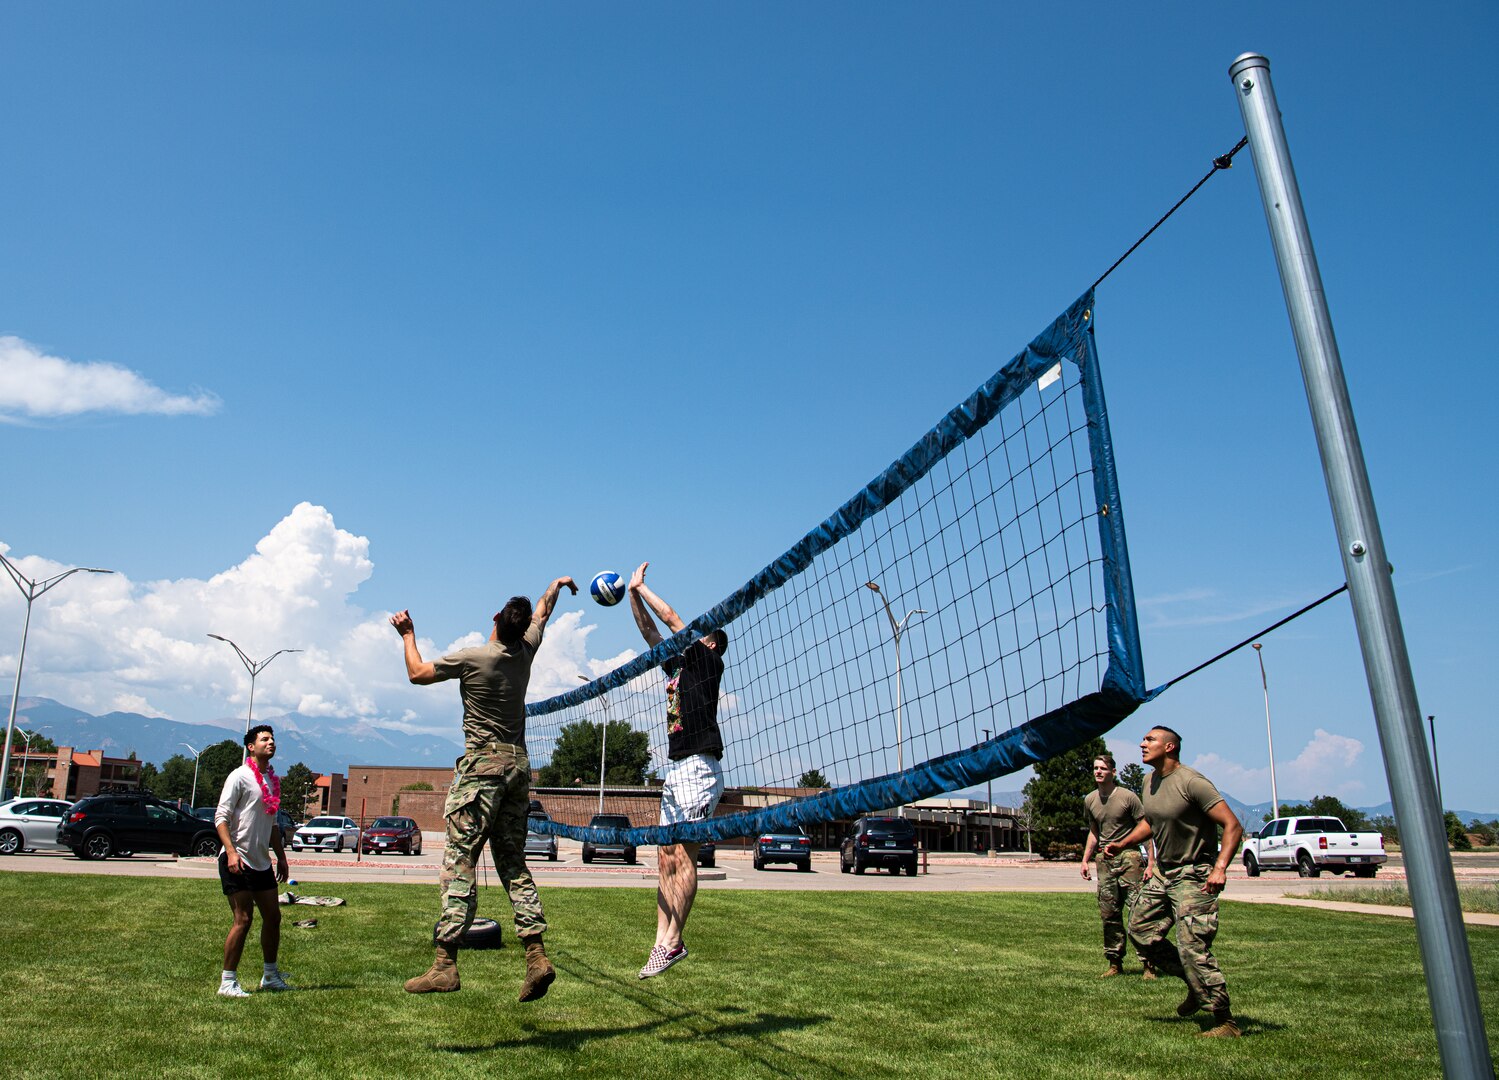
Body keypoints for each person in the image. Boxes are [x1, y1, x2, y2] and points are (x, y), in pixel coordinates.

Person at [393, 575, 576, 1003]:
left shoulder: (474, 657)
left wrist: (407, 634)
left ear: (495, 618)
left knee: (459, 862)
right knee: (513, 865)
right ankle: (536, 956)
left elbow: (417, 673)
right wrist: (556, 586)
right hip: (519, 768)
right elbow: (544, 612)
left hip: (482, 769)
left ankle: (444, 966)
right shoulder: (525, 651)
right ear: (523, 627)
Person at [1104, 725, 1245, 1038]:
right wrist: (1124, 842)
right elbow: (1152, 824)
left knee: (1192, 946)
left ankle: (1225, 1021)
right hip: (1163, 874)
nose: (1142, 743)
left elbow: (1233, 826)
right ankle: (1194, 984)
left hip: (1193, 874)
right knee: (1139, 930)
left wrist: (1220, 868)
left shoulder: (1192, 782)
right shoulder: (1149, 781)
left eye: (1150, 739)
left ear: (1169, 747)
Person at [627, 561, 727, 978]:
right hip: (678, 769)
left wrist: (641, 586)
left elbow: (669, 618)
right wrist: (631, 598)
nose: (693, 634)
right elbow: (651, 633)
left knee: (683, 855)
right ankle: (660, 942)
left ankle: (674, 941)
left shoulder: (707, 662)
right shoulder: (677, 668)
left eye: (700, 633)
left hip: (700, 768)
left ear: (711, 644)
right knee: (664, 856)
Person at [213, 723, 292, 997]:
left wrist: (281, 857)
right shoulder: (239, 776)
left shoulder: (272, 780)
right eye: (264, 739)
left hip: (261, 862)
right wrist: (231, 852)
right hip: (237, 859)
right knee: (243, 919)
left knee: (273, 917)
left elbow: (272, 824)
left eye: (272, 739)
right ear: (251, 746)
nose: (271, 743)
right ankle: (227, 982)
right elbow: (220, 818)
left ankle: (270, 976)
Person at [1080, 752, 1155, 979]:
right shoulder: (1090, 799)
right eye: (1095, 768)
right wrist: (1085, 860)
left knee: (1138, 911)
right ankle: (1114, 962)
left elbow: (1145, 829)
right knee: (1109, 913)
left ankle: (1148, 963)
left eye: (1103, 768)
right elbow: (1094, 831)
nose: (1098, 772)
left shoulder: (1128, 797)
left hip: (1129, 857)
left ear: (1113, 772)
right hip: (1105, 861)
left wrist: (1151, 862)